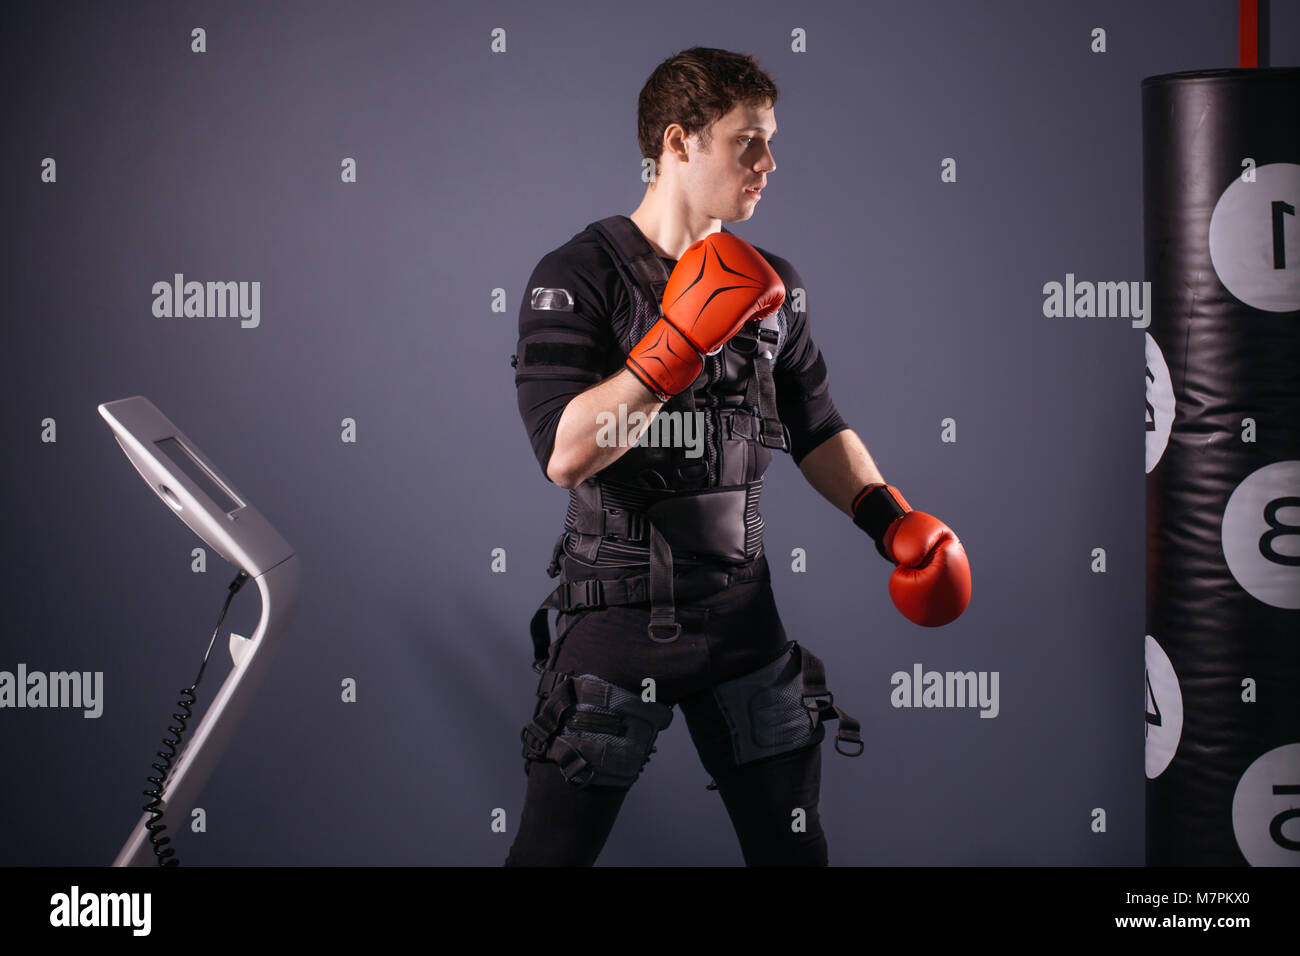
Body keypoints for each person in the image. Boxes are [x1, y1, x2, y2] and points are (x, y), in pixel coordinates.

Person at [508, 47, 971, 866]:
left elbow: (817, 426)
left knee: (795, 856)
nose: (768, 163)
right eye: (746, 142)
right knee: (550, 859)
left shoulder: (773, 286)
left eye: (770, 141)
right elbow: (565, 452)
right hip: (617, 624)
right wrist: (677, 341)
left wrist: (889, 519)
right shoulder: (577, 275)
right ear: (679, 143)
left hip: (742, 623)